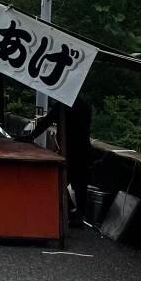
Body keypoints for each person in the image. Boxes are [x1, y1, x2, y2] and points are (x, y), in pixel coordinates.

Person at [25, 93, 93, 228]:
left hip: (72, 151)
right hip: (83, 150)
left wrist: (31, 136)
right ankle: (77, 214)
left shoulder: (64, 106)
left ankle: (73, 213)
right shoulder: (85, 105)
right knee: (79, 186)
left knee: (59, 181)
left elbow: (46, 122)